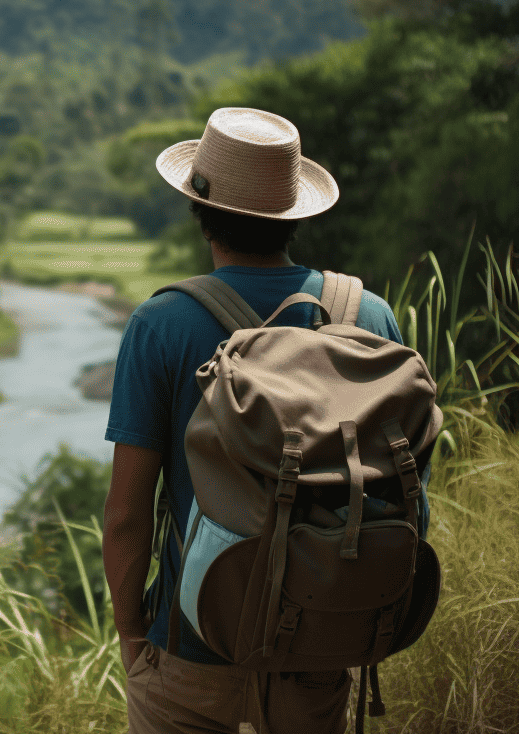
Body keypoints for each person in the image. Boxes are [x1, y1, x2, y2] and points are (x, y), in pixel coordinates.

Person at [101, 107, 408, 734]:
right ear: (295, 212)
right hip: (320, 646)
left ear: (199, 208)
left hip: (189, 652)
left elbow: (128, 514)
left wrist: (132, 635)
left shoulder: (161, 325)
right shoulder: (369, 318)